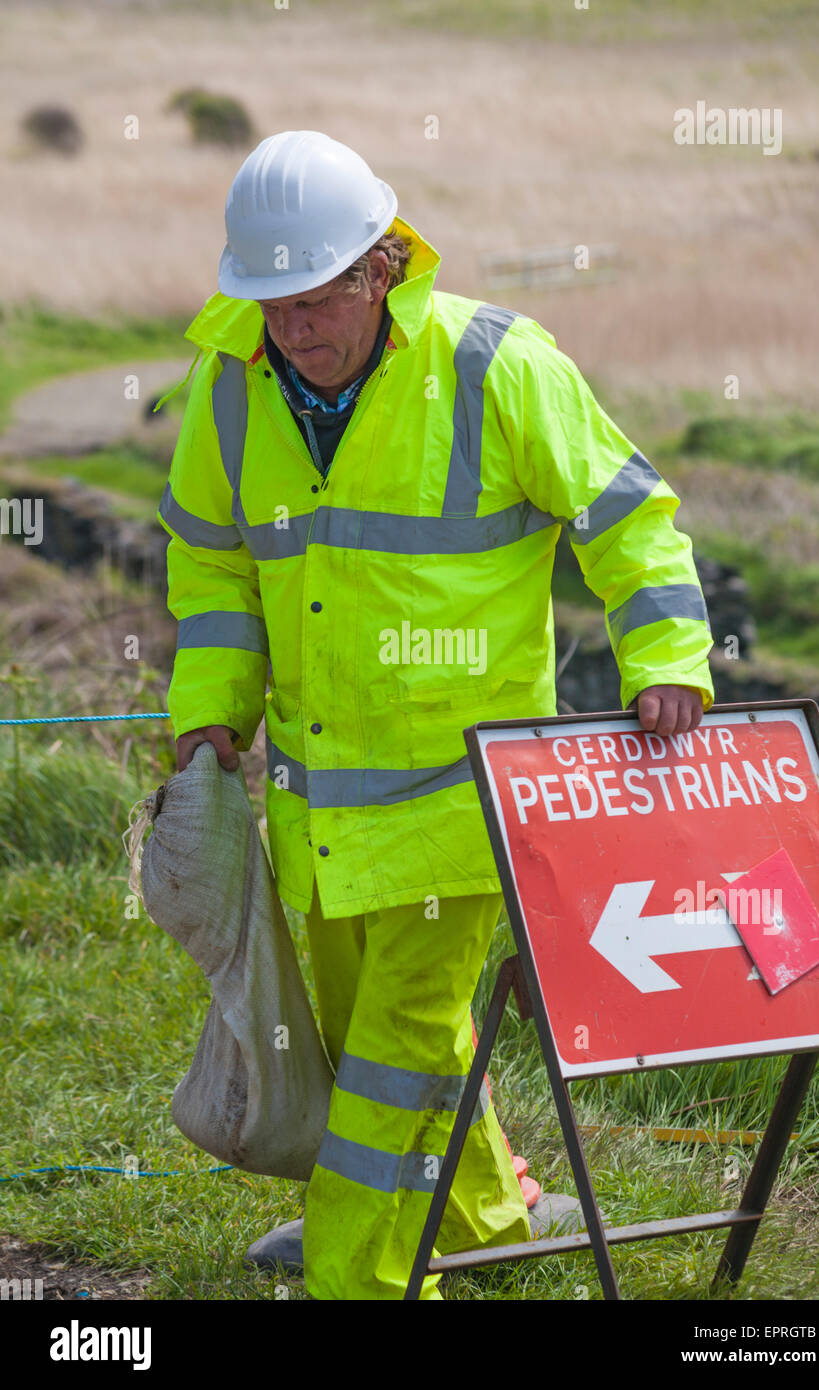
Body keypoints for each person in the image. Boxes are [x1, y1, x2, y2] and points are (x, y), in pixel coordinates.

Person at [158, 130, 713, 1301]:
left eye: (317, 301)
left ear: (380, 266)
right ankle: (485, 1213)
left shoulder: (493, 365)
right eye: (271, 305)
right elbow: (213, 568)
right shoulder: (229, 387)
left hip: (460, 805)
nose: (294, 331)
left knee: (392, 1055)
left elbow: (627, 516)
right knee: (384, 1029)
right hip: (320, 813)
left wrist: (666, 654)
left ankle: (360, 1269)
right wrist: (213, 712)